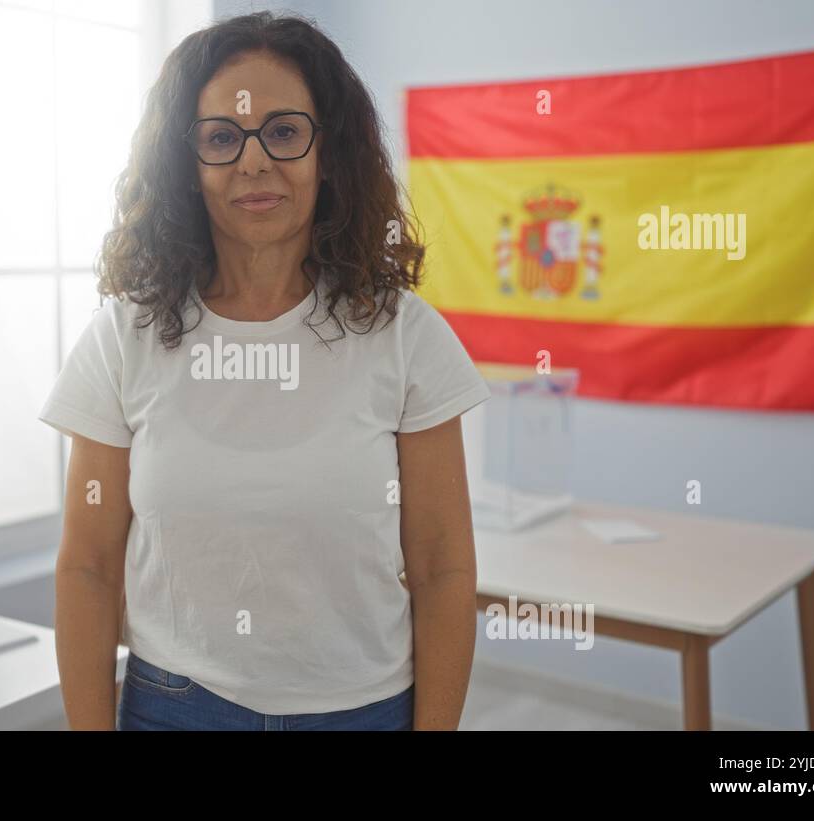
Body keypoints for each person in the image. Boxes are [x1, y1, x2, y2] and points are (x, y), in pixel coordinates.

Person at [39, 11, 491, 731]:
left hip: (364, 708)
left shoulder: (405, 337)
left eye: (283, 131)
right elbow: (87, 566)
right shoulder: (124, 336)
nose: (253, 161)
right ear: (185, 164)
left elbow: (442, 568)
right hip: (174, 706)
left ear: (329, 152)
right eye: (222, 137)